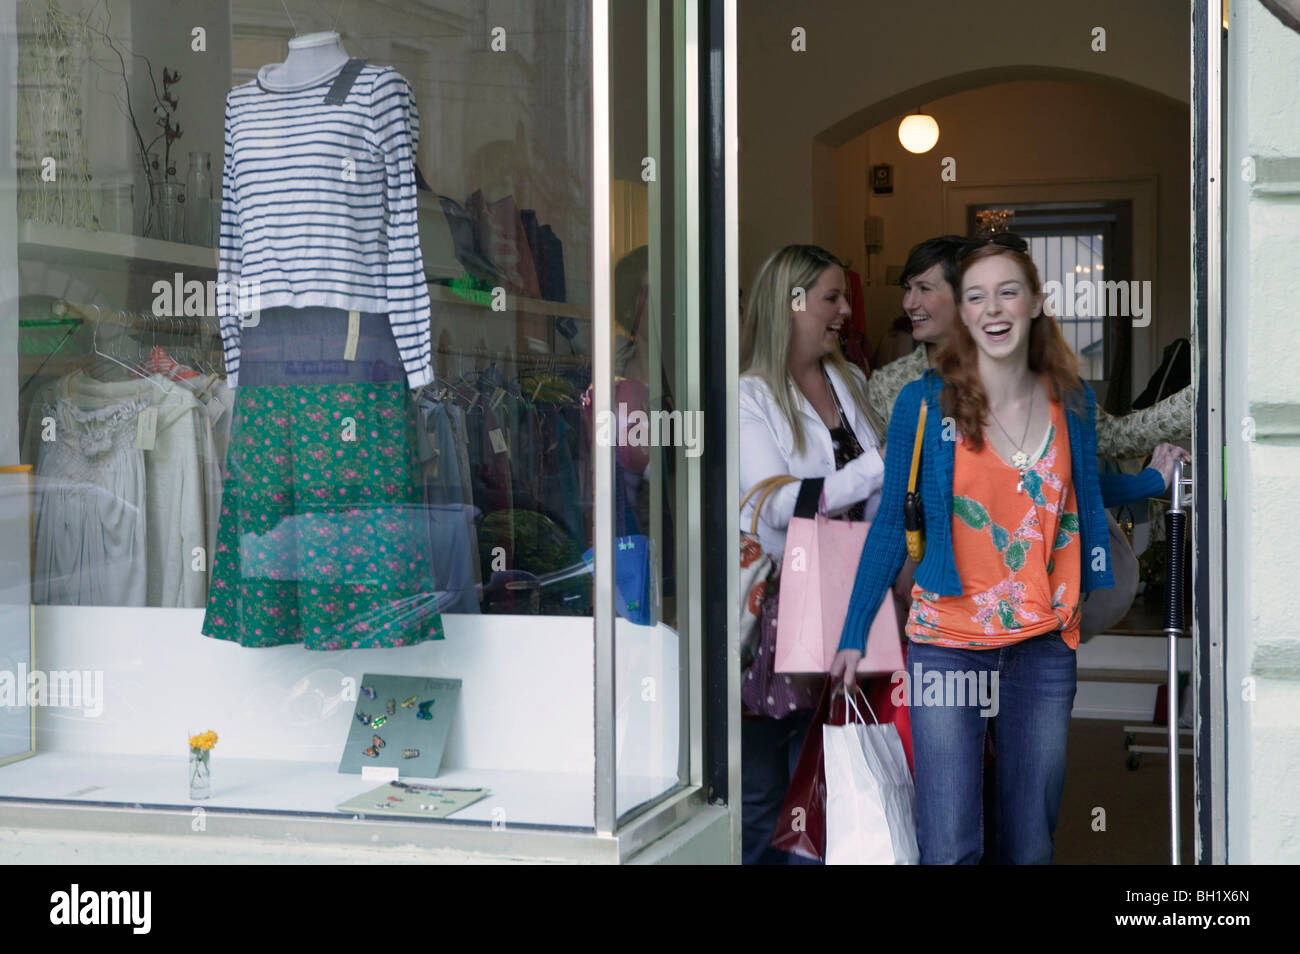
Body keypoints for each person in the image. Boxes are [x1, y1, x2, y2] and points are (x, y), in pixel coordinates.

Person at [831, 234, 1181, 864]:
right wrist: (854, 630)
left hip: (1043, 643)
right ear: (963, 313)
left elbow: (1079, 489)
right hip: (947, 641)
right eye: (976, 296)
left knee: (1029, 841)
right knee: (949, 840)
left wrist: (1154, 479)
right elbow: (891, 524)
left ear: (1034, 304)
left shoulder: (1069, 401)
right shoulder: (923, 403)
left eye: (1008, 292)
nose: (992, 308)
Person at [738, 244, 886, 864]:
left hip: (853, 601)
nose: (846, 311)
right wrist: (881, 466)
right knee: (768, 791)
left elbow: (875, 502)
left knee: (833, 778)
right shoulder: (749, 395)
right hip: (784, 610)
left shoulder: (846, 380)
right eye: (832, 297)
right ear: (791, 304)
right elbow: (778, 506)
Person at [867, 237, 1193, 459]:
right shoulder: (892, 385)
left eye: (923, 288)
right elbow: (881, 489)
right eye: (907, 288)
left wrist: (1199, 399)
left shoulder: (1035, 376)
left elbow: (1112, 439)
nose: (909, 303)